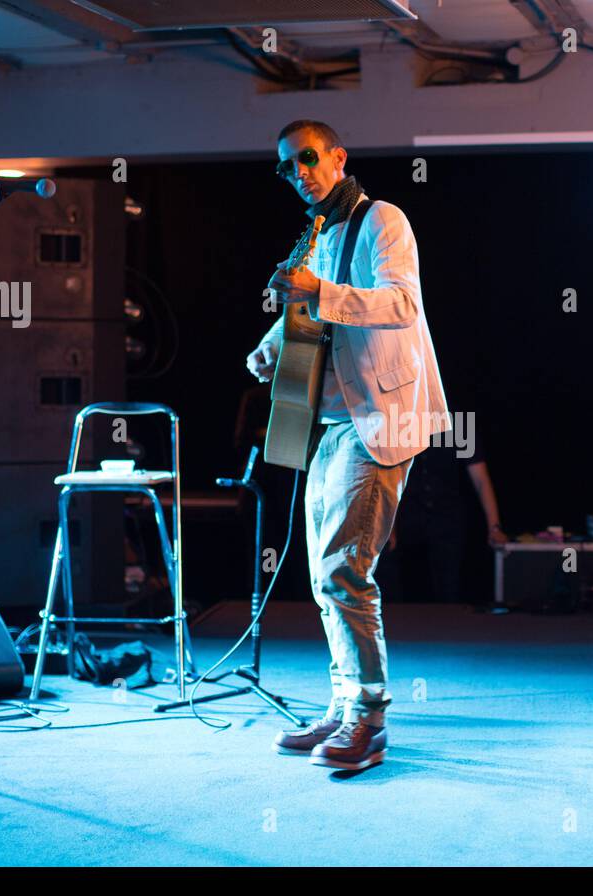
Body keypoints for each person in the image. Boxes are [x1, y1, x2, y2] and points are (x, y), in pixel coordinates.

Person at [247, 119, 448, 770]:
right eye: (286, 166)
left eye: (306, 158)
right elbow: (303, 316)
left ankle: (369, 719)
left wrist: (317, 289)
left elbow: (398, 305)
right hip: (328, 424)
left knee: (343, 570)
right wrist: (268, 348)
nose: (297, 172)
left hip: (379, 418)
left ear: (337, 157)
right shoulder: (315, 236)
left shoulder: (382, 220)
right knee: (320, 574)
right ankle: (342, 705)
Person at [377, 425, 509, 603]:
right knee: (401, 584)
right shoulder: (401, 422)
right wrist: (389, 526)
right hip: (406, 517)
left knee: (448, 588)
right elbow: (389, 478)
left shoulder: (459, 425)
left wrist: (494, 527)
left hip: (447, 517)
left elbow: (480, 480)